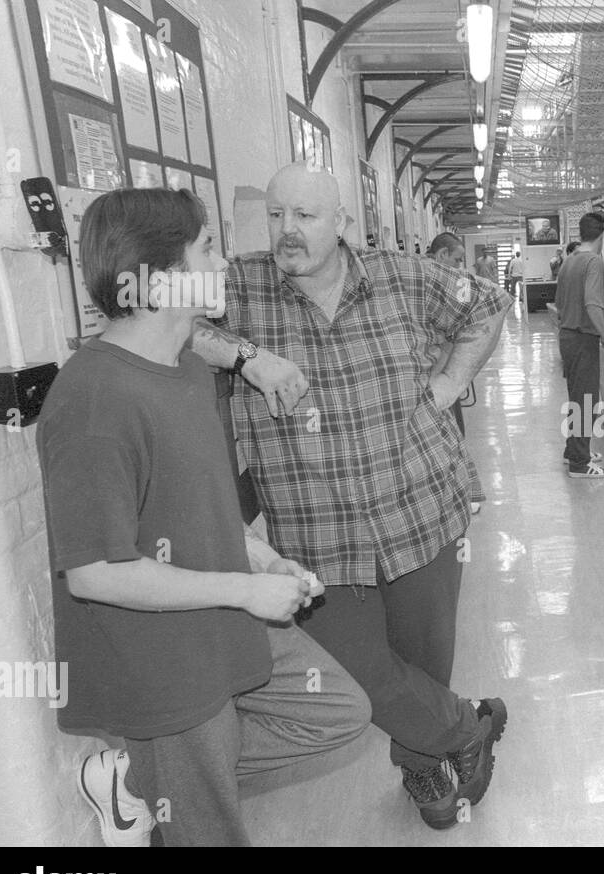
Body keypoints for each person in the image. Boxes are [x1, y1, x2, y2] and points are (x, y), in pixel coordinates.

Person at [38, 187, 371, 846]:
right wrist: (247, 590)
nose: (223, 264)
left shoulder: (187, 368)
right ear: (160, 281)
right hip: (163, 669)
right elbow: (96, 574)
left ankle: (142, 780)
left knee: (338, 710)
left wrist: (264, 561)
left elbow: (200, 501)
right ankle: (165, 776)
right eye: (208, 249)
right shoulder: (94, 401)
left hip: (223, 625)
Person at [188, 163, 509, 829]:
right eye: (276, 215)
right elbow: (156, 315)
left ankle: (422, 767)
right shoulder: (240, 285)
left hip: (422, 508)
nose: (287, 230)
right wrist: (247, 358)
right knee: (360, 678)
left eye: (304, 216)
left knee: (423, 663)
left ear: (341, 224)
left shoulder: (404, 275)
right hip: (317, 533)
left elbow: (487, 304)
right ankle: (469, 731)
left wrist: (448, 386)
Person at [427, 234, 489, 515]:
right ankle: (455, 495)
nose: (460, 265)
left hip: (446, 370)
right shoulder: (428, 284)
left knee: (452, 431)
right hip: (435, 374)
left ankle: (457, 491)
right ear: (441, 256)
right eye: (456, 259)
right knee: (445, 434)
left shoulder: (445, 283)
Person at [557, 212, 604, 478]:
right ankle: (580, 465)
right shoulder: (594, 261)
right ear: (602, 235)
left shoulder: (569, 261)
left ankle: (574, 450)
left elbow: (559, 303)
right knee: (586, 401)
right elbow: (593, 303)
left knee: (576, 398)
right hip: (583, 338)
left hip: (567, 337)